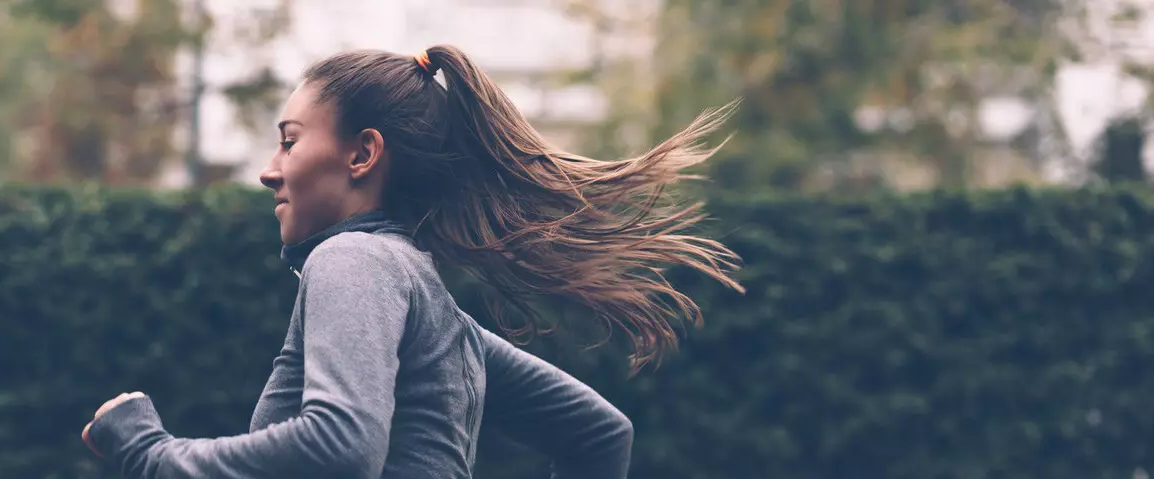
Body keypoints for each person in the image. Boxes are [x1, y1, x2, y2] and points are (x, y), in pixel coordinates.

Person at [80, 44, 743, 479]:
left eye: (289, 142)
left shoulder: (354, 259)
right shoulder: (432, 309)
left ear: (362, 155)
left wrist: (152, 453)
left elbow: (341, 443)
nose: (267, 171)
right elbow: (599, 433)